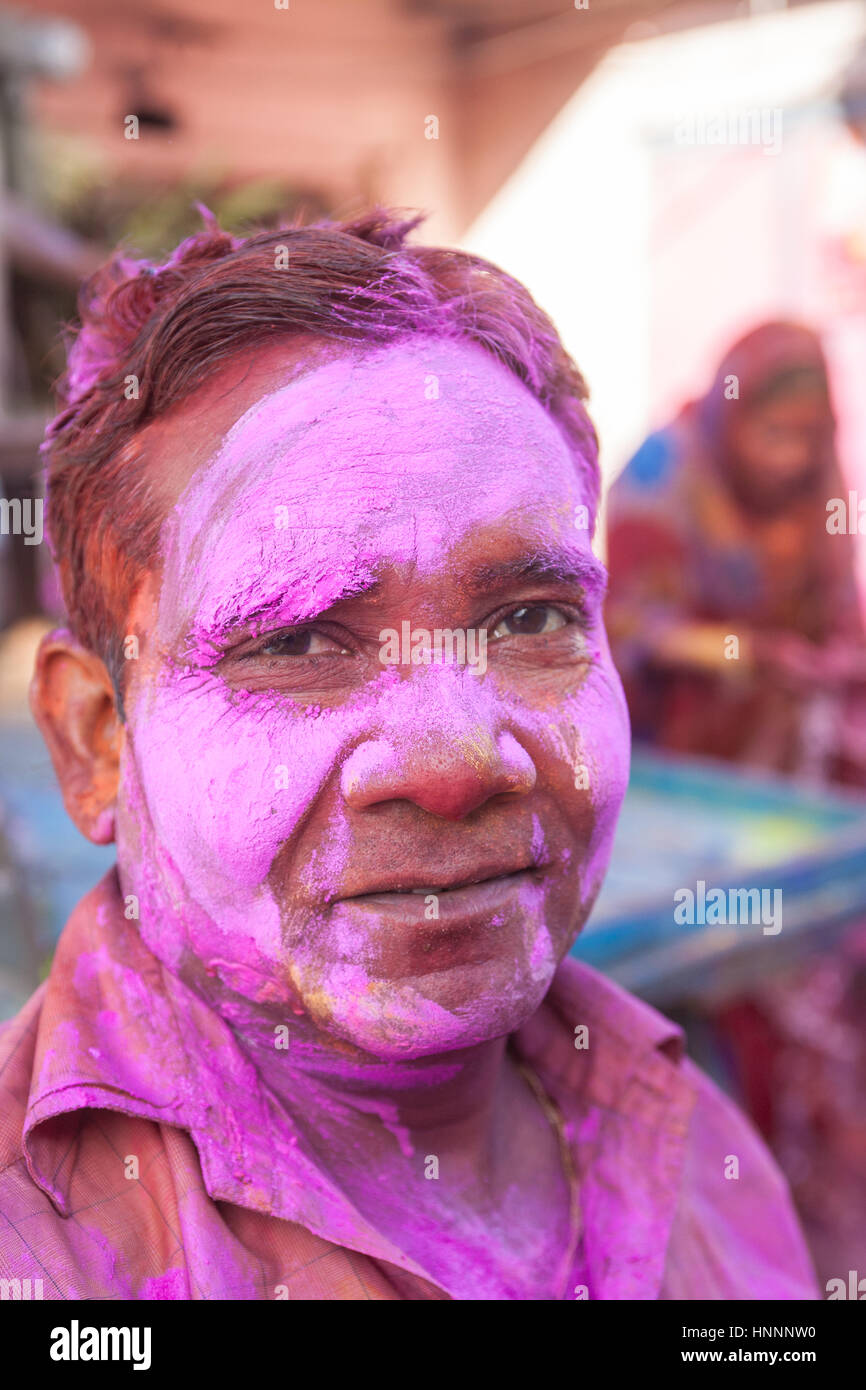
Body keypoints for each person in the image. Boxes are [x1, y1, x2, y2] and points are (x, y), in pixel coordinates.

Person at [0, 211, 817, 1300]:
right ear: (98, 738)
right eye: (295, 642)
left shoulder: (694, 1139)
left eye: (529, 620)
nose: (456, 759)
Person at [606, 321, 866, 783]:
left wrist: (829, 661)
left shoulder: (820, 485)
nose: (791, 457)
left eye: (806, 437)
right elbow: (625, 624)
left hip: (792, 757)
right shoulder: (663, 475)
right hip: (672, 750)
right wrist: (744, 654)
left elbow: (841, 613)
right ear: (734, 413)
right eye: (773, 433)